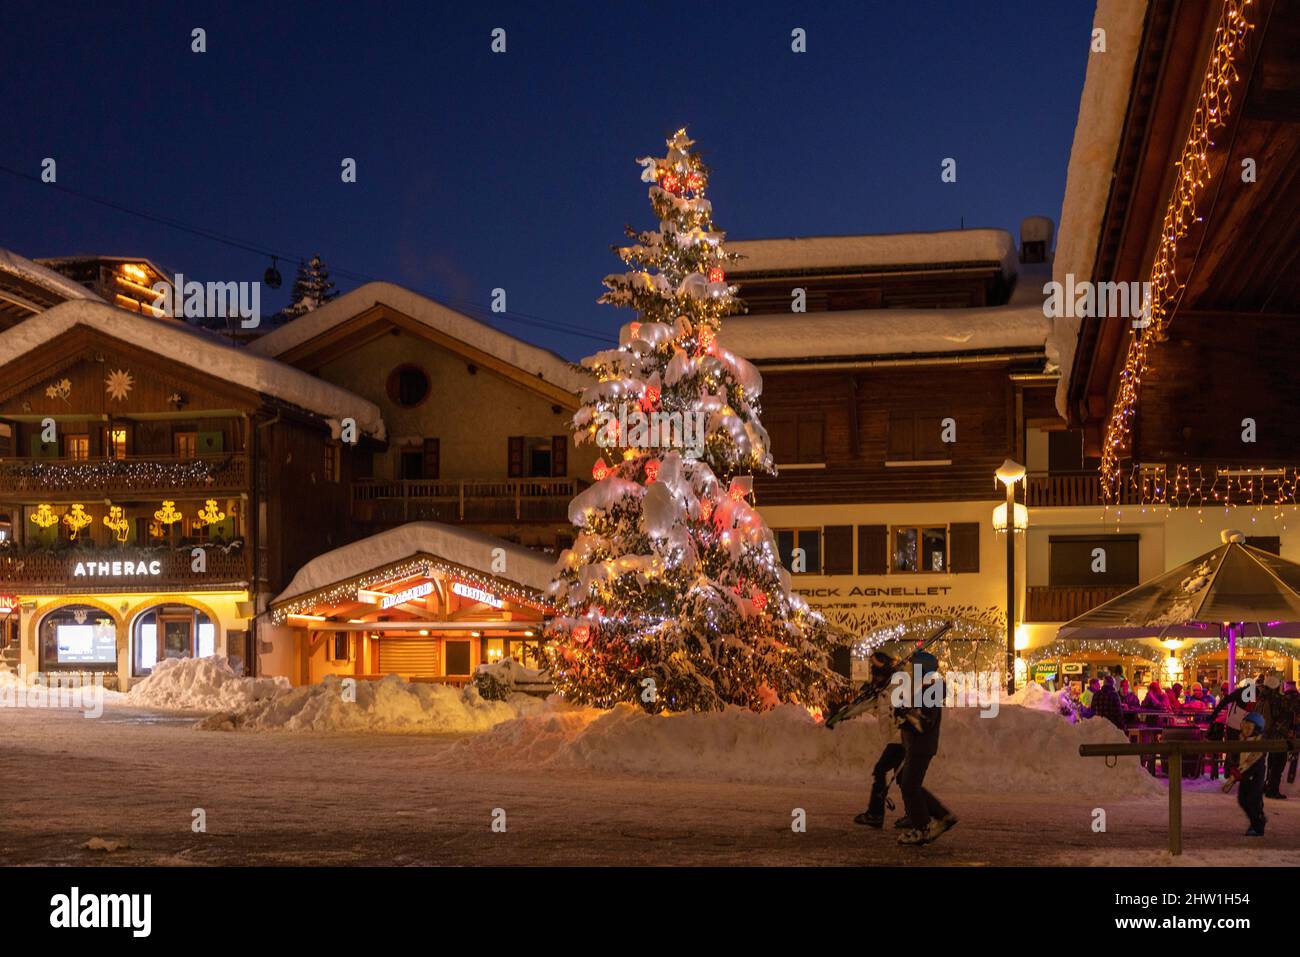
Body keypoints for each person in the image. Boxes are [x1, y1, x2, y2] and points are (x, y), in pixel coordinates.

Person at [894, 650, 956, 846]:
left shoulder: (932, 691)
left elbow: (923, 722)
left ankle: (922, 827)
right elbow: (918, 718)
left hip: (922, 746)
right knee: (907, 782)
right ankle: (941, 815)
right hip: (918, 745)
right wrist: (904, 716)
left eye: (915, 668)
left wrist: (907, 714)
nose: (911, 672)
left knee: (909, 786)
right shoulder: (927, 689)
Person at [853, 651, 906, 829]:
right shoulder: (884, 690)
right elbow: (869, 706)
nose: (874, 679)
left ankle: (875, 814)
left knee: (880, 770)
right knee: (905, 780)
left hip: (900, 740)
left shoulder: (896, 687)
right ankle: (915, 815)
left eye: (877, 675)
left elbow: (903, 712)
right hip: (896, 740)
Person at [1255, 671, 1298, 800]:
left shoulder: (1261, 699)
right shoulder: (1279, 700)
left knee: (1269, 763)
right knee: (1278, 763)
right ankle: (1272, 790)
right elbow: (1282, 720)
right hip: (1278, 737)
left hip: (1264, 736)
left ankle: (1265, 786)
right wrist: (1288, 733)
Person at [1226, 712, 1269, 836]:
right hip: (1244, 775)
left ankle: (1258, 825)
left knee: (1252, 800)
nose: (1245, 729)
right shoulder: (1241, 740)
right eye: (1244, 726)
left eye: (1249, 727)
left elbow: (1256, 762)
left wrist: (1244, 773)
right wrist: (1233, 766)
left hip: (1255, 776)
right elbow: (1235, 755)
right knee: (1243, 800)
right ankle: (1256, 821)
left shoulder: (1258, 743)